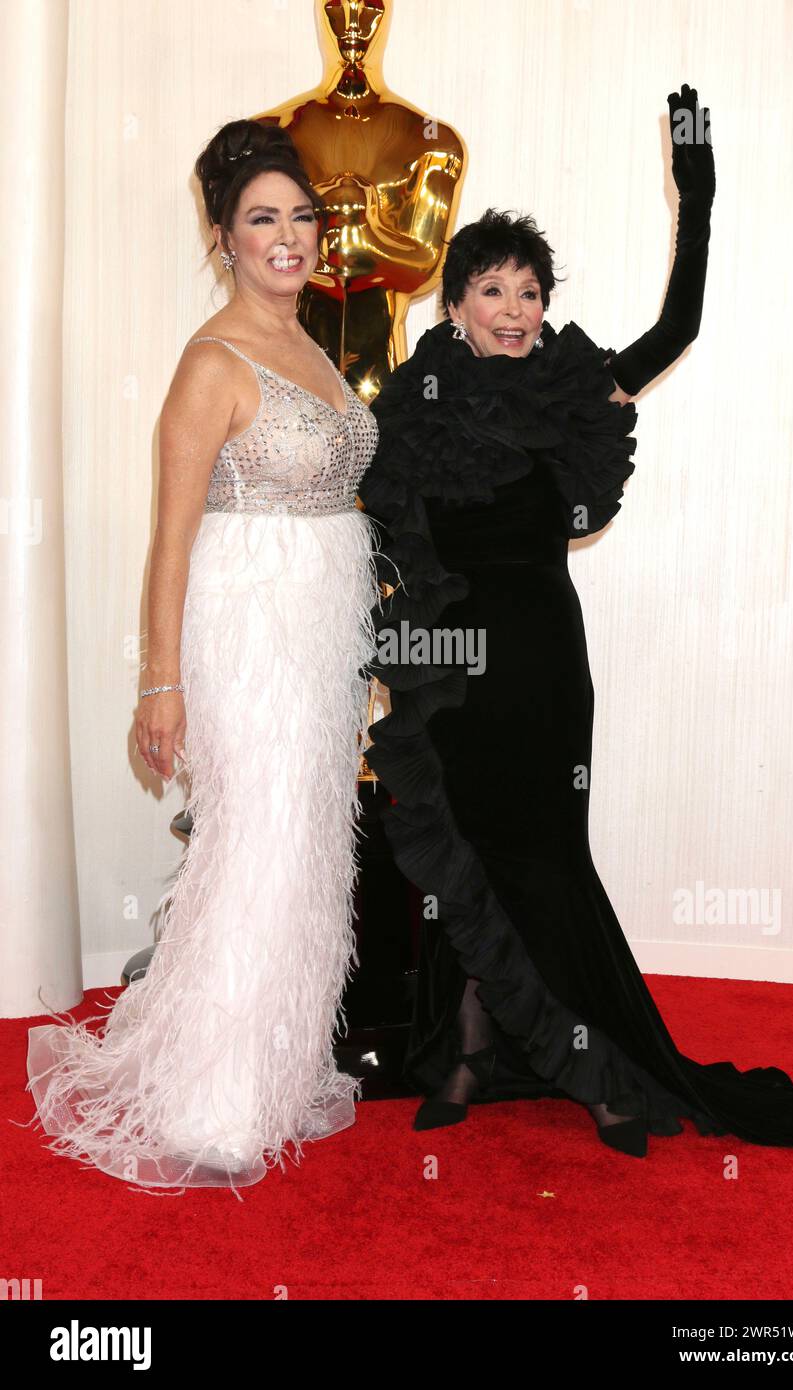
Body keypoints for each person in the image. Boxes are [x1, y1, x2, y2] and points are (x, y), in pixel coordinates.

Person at [357, 85, 793, 1157]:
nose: (518, 308)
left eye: (531, 290)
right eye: (493, 288)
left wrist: (697, 199)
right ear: (455, 306)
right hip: (451, 669)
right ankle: (473, 1050)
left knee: (545, 856)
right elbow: (375, 534)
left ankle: (601, 1068)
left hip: (542, 663)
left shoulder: (569, 394)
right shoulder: (411, 408)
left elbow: (677, 327)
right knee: (473, 857)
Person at [22, 119, 381, 1195]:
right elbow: (170, 540)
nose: (287, 237)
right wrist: (160, 681)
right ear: (224, 237)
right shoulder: (212, 360)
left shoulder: (316, 348)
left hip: (321, 633)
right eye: (260, 219)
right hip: (245, 631)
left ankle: (272, 1065)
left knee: (307, 845)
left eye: (300, 216)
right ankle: (207, 1096)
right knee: (255, 844)